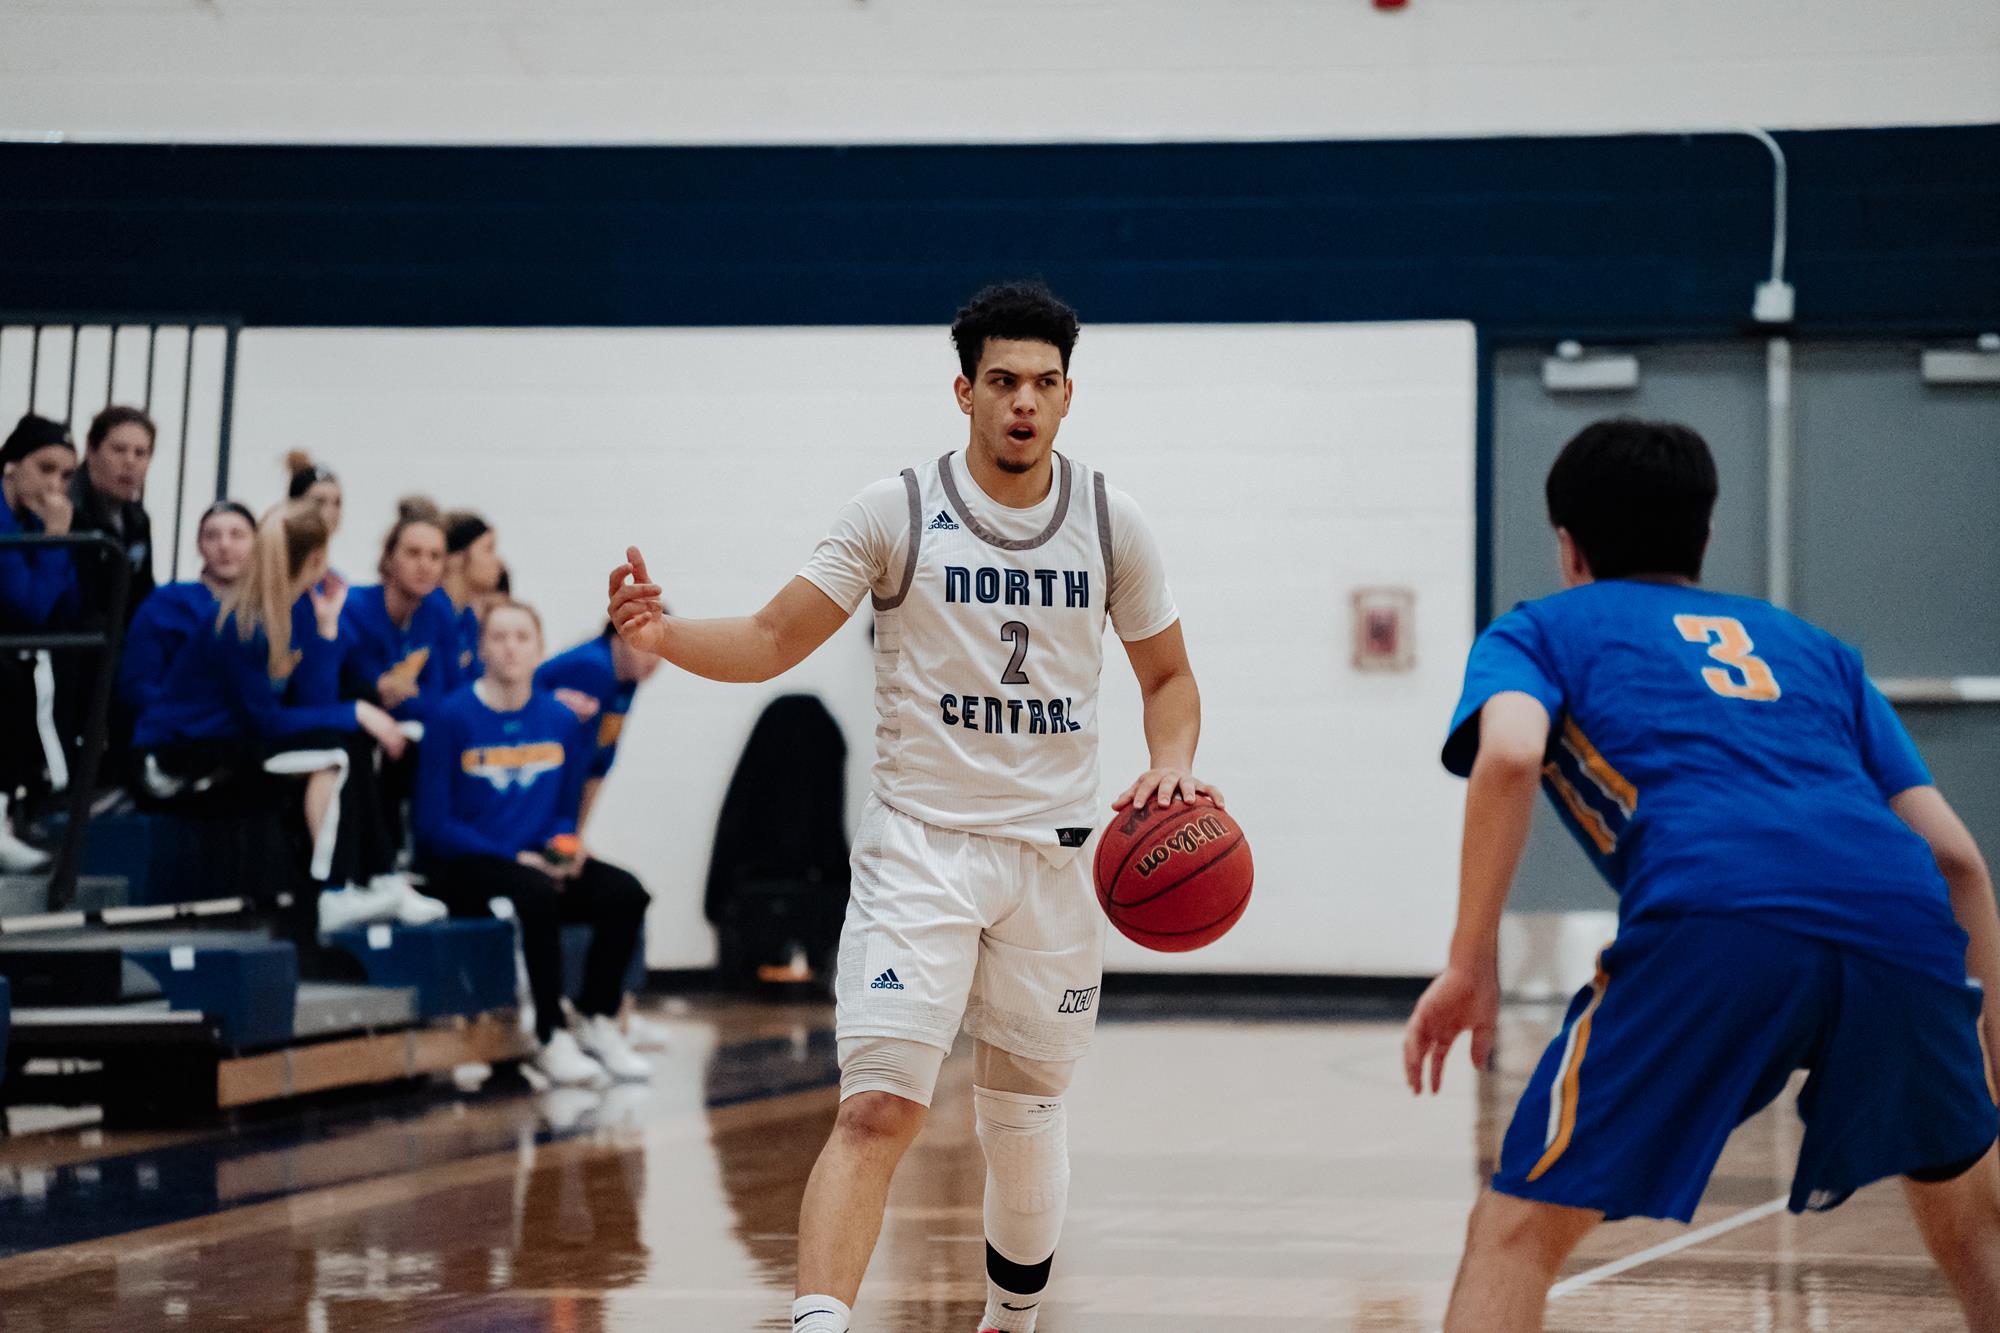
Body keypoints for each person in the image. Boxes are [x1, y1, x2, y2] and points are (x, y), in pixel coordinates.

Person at [607, 282, 1213, 1333]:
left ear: (1068, 395)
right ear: (963, 391)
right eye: (1002, 381)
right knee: (878, 1106)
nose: (1023, 402)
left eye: (1044, 383)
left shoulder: (1112, 522)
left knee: (1023, 1114)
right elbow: (772, 637)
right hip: (921, 850)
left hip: (1051, 858)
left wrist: (1173, 764)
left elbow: (1168, 678)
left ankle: (1011, 1319)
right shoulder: (893, 511)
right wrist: (665, 637)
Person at [1404, 419, 2000, 1333]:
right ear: (1705, 534)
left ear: (1569, 547)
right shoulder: (1814, 648)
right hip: (1903, 920)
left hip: (1720, 918)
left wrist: (1468, 960)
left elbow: (1513, 753)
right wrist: (1990, 1031)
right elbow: (1958, 858)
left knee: (1514, 1229)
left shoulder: (1538, 629)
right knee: (1976, 1217)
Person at [131, 501, 446, 932]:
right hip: (178, 758)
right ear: (315, 559)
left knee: (350, 739)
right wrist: (356, 710)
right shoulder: (239, 621)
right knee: (336, 751)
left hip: (236, 741)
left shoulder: (298, 607)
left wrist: (327, 630)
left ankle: (380, 878)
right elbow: (264, 720)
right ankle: (332, 891)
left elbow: (314, 703)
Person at [414, 599, 652, 1089]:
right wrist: (515, 859)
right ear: (481, 648)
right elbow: (434, 824)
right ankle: (549, 1033)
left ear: (539, 648)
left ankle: (596, 1016)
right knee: (535, 893)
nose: (510, 647)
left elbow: (564, 811)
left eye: (522, 637)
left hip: (534, 860)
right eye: (498, 637)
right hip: (468, 861)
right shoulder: (451, 717)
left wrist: (564, 849)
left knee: (626, 893)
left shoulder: (560, 720)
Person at [535, 621, 669, 1049]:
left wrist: (575, 836)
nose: (658, 661)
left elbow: (597, 767)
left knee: (629, 893)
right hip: (529, 825)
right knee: (614, 893)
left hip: (556, 826)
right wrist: (561, 841)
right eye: (650, 648)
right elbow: (558, 763)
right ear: (621, 636)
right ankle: (592, 1015)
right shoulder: (590, 670)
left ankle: (612, 1012)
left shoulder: (626, 682)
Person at [0, 415, 81, 872]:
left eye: (66, 475)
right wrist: (56, 538)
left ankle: (22, 807)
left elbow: (64, 608)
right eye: (45, 468)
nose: (55, 486)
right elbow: (29, 607)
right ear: (12, 465)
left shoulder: (31, 520)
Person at [117, 500, 255, 731]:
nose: (224, 545)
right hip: (182, 733)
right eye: (212, 536)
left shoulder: (271, 609)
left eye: (237, 535)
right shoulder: (165, 604)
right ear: (199, 545)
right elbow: (137, 684)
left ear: (258, 544)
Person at [441, 510, 502, 682]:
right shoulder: (432, 612)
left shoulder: (468, 618)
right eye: (488, 549)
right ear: (456, 558)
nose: (498, 561)